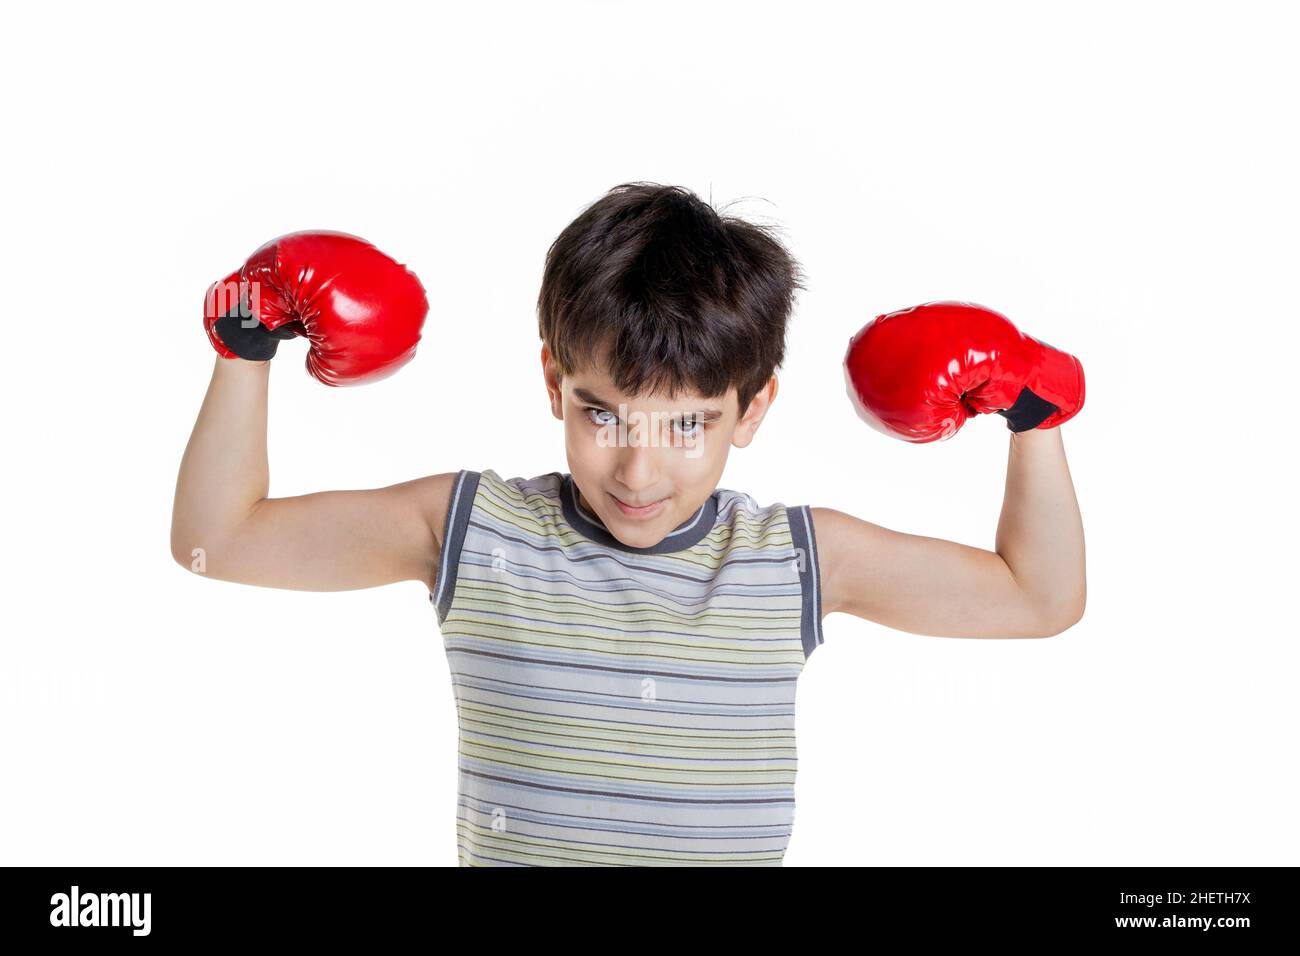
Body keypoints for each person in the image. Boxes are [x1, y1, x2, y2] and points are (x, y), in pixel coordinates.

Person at [171, 182, 1086, 867]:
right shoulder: (473, 531)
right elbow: (223, 538)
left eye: (688, 424)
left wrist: (1032, 415)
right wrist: (245, 353)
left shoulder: (793, 562)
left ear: (755, 407)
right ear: (551, 384)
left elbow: (1038, 599)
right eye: (601, 413)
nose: (638, 470)